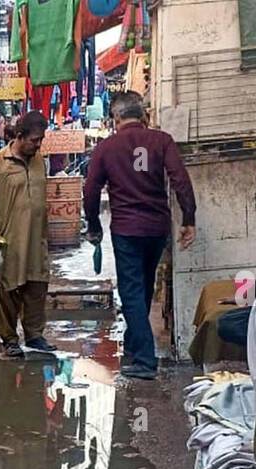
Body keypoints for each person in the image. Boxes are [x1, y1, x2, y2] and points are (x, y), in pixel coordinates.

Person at [83, 91, 196, 380]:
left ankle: (144, 361)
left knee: (132, 291)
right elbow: (180, 179)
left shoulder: (106, 148)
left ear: (116, 117)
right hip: (157, 228)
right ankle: (134, 349)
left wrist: (93, 225)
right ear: (143, 115)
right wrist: (188, 217)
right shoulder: (162, 141)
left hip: (126, 229)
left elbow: (91, 190)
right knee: (142, 289)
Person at [0, 109, 55, 357]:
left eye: (41, 139)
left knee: (37, 287)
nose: (38, 144)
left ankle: (34, 335)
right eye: (34, 140)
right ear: (19, 136)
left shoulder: (40, 159)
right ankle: (9, 339)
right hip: (8, 241)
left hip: (37, 239)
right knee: (8, 291)